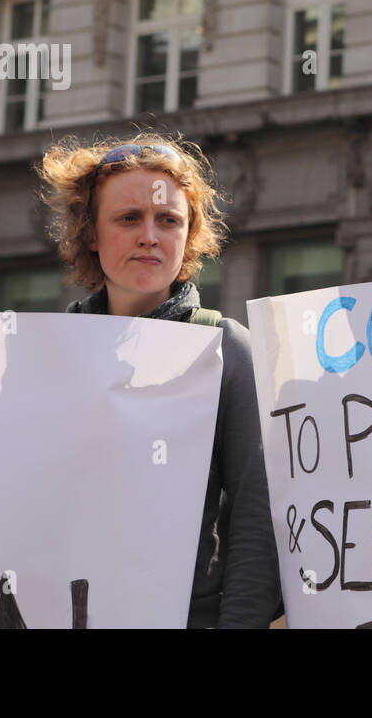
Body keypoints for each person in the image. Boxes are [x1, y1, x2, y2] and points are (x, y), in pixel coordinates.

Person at [37, 133, 282, 628]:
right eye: (129, 218)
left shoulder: (226, 351)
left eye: (168, 220)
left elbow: (259, 523)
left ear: (188, 236)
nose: (150, 235)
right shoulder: (44, 354)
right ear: (90, 232)